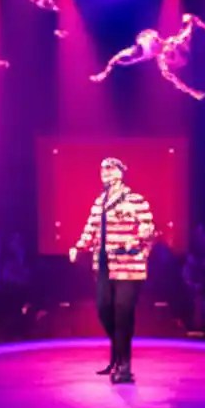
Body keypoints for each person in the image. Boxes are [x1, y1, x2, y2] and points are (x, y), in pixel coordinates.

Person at [69, 158, 156, 383]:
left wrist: (139, 237)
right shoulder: (99, 203)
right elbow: (90, 229)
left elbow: (149, 229)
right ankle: (119, 353)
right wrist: (78, 247)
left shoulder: (136, 200)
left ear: (120, 172)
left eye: (110, 168)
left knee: (123, 311)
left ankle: (124, 366)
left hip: (128, 265)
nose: (105, 172)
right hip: (104, 265)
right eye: (102, 169)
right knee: (103, 308)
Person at [90, 14, 205, 100]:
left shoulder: (174, 41)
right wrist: (193, 92)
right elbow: (176, 81)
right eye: (155, 42)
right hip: (191, 62)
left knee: (186, 25)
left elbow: (192, 22)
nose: (158, 41)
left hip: (192, 54)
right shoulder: (162, 60)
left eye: (156, 40)